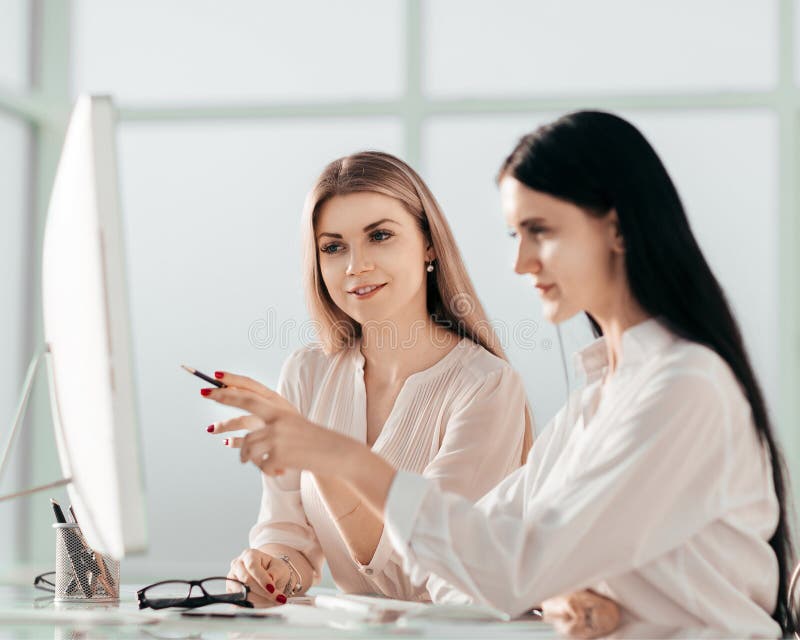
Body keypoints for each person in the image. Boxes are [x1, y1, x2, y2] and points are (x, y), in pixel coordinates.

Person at [203, 112, 795, 635]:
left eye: (541, 231)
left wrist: (337, 457)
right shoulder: (602, 397)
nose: (519, 262)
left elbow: (507, 563)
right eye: (516, 234)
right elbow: (476, 559)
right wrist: (556, 595)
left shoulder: (683, 389)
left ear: (617, 228)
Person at [207, 151, 533, 606]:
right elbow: (289, 538)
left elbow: (427, 573)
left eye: (379, 236)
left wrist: (324, 454)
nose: (355, 266)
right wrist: (268, 569)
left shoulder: (485, 386)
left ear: (428, 244)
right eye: (333, 247)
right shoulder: (307, 372)